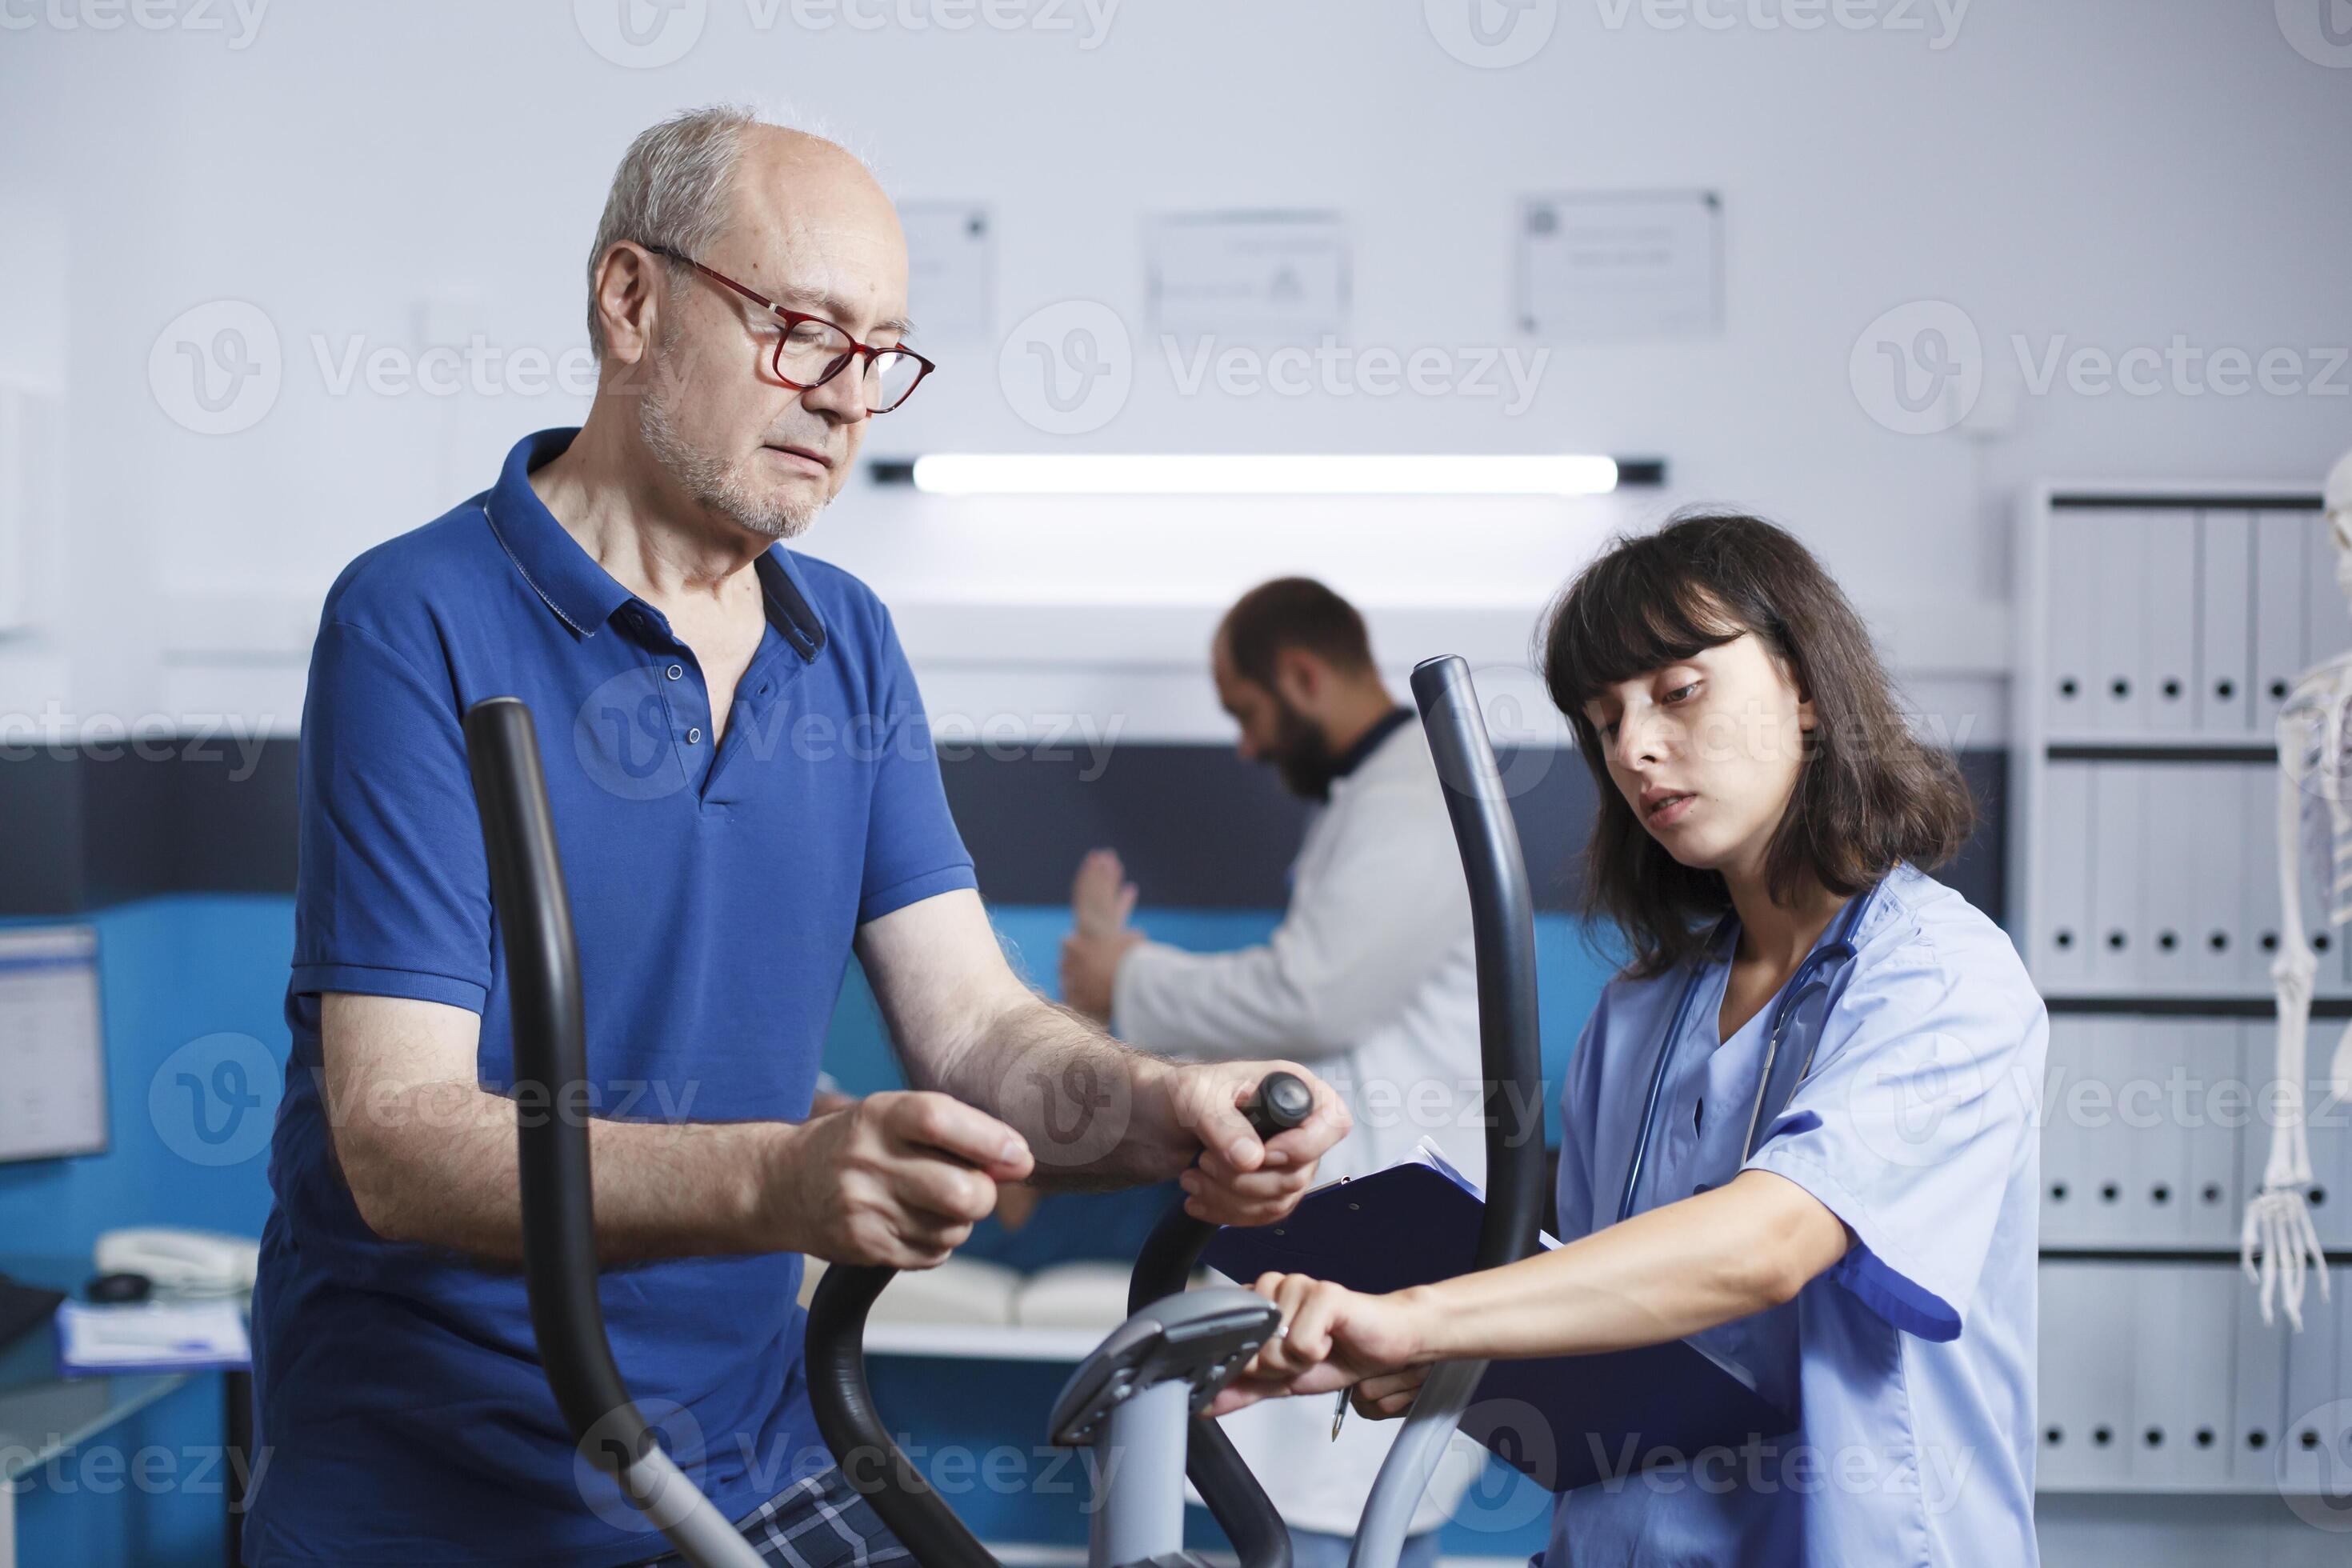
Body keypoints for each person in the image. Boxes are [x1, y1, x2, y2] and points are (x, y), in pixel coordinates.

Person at [244, 106, 1347, 1568]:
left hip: (743, 1451)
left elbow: (972, 1028)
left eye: (879, 353)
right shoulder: (416, 618)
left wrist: (1172, 1108)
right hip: (437, 1488)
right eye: (798, 330)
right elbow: (397, 1144)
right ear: (630, 301)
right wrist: (780, 1181)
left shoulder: (848, 648)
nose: (844, 397)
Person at [1210, 512, 2046, 1566]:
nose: (1635, 748)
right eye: (1604, 722)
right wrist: (1460, 1358)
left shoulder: (1941, 979)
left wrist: (1429, 1318)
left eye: (1678, 692)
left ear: (1804, 687)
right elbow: (1624, 1332)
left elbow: (1769, 1246)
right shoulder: (1641, 1016)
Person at [1059, 577, 1487, 1568]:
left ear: (1302, 675)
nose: (1247, 746)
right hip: (1352, 1220)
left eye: (1247, 714)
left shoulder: (1410, 799)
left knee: (1336, 1520)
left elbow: (1314, 997)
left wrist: (1123, 974)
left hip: (1384, 1219)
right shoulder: (1374, 798)